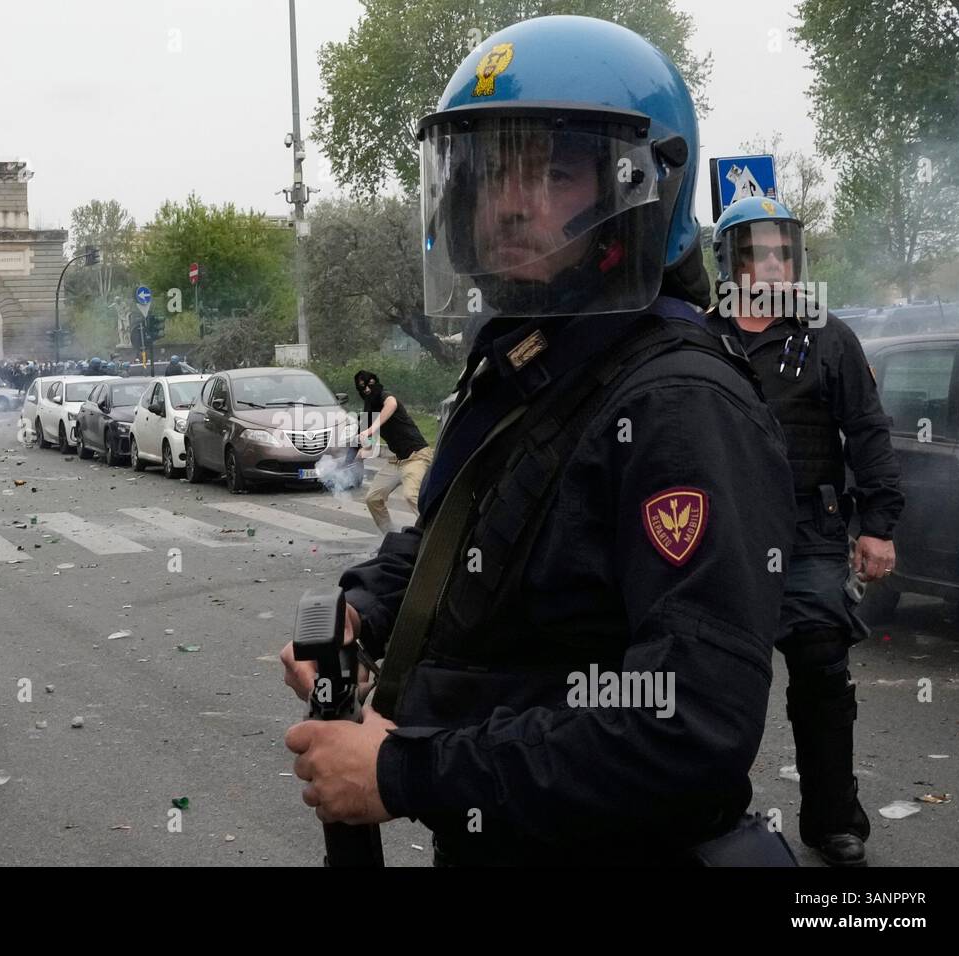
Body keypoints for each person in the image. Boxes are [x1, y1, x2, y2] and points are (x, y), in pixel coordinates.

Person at [280, 14, 799, 866]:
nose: (510, 201)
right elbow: (460, 532)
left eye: (554, 170)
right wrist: (367, 608)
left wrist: (407, 774)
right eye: (489, 173)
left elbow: (687, 724)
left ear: (642, 187)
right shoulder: (532, 363)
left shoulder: (679, 404)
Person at [705, 195, 904, 866]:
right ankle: (712, 815)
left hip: (809, 535)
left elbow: (868, 432)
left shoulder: (828, 336)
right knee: (714, 682)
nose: (773, 262)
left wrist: (877, 524)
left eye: (783, 249)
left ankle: (832, 820)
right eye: (758, 250)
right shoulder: (700, 336)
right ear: (730, 260)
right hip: (719, 541)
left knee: (822, 678)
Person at [354, 369, 433, 533]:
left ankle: (432, 537)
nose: (367, 389)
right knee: (373, 498)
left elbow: (392, 404)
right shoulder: (367, 412)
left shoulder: (385, 396)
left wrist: (372, 428)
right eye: (362, 387)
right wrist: (357, 453)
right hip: (397, 461)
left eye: (370, 384)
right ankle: (390, 536)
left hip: (417, 456)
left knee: (412, 495)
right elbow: (368, 448)